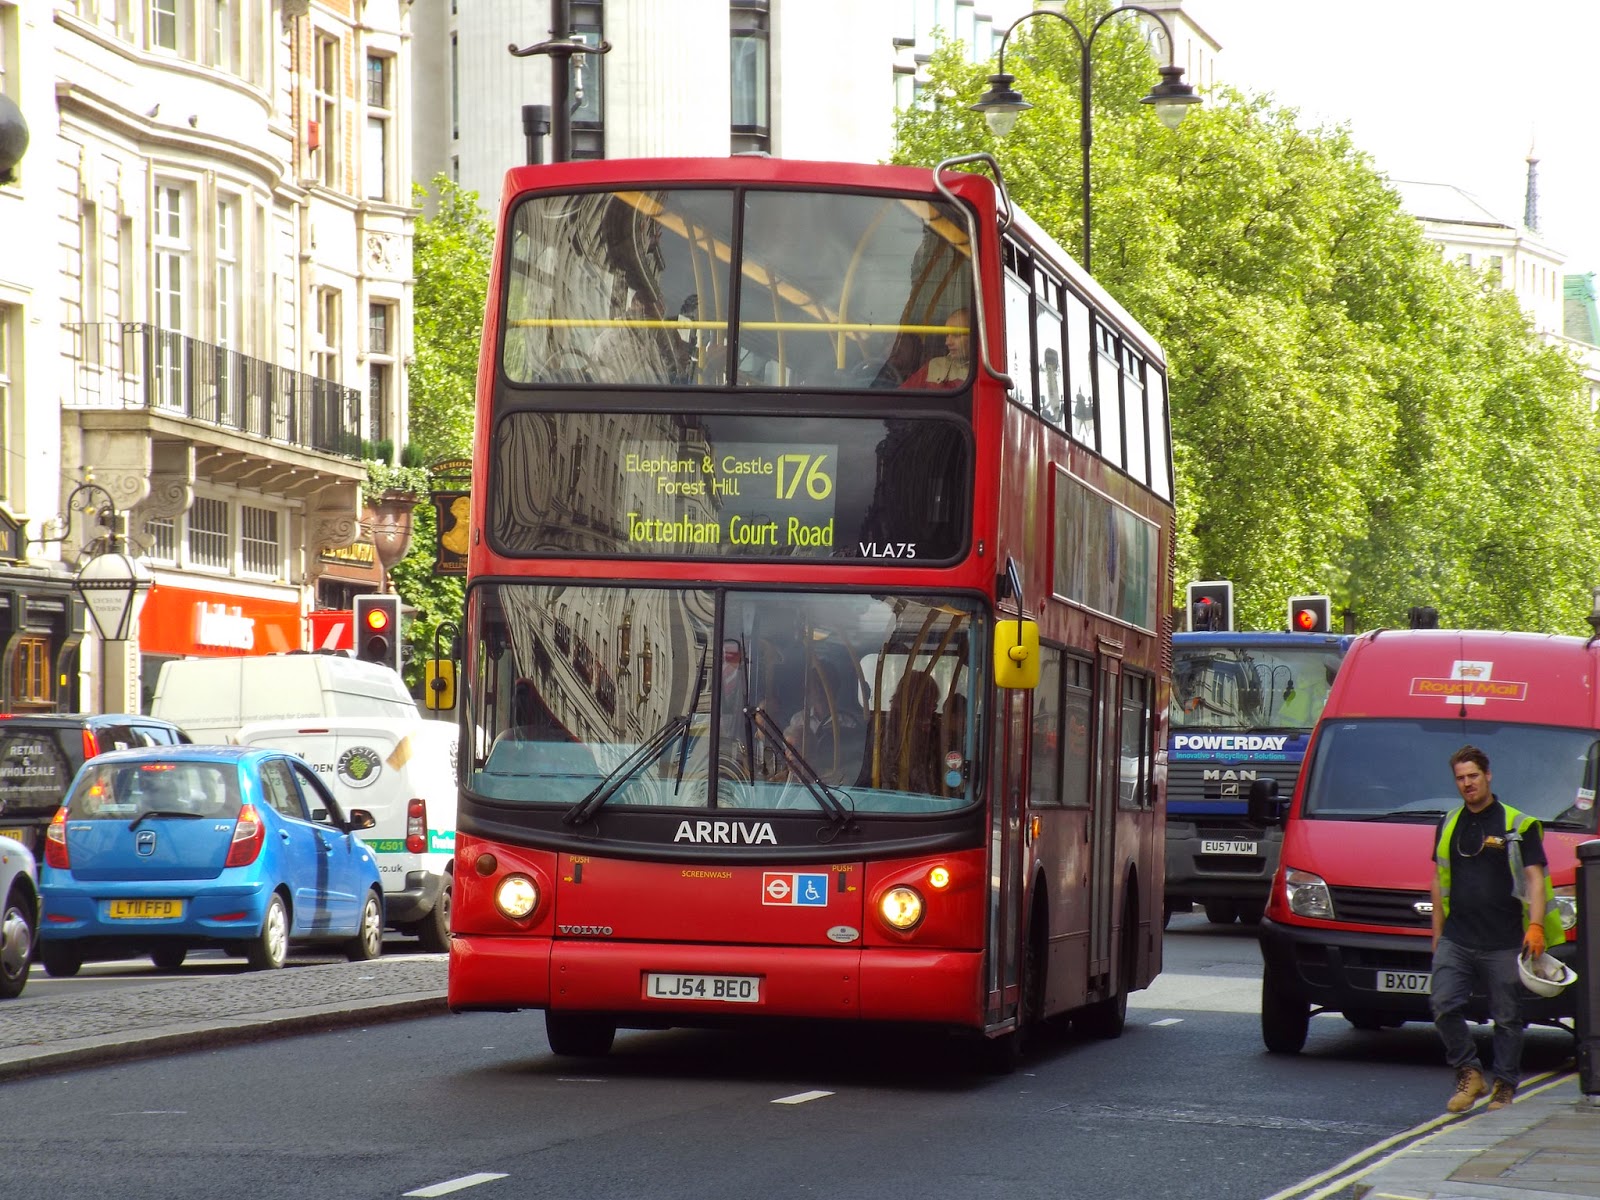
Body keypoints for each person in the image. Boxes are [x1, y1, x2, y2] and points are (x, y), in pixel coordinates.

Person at [1430, 745, 1562, 1113]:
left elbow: (1535, 880)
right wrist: (1437, 934)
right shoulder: (1449, 823)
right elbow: (1437, 879)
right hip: (1457, 936)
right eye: (1460, 778)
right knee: (1442, 1004)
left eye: (1473, 776)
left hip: (1504, 939)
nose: (1467, 784)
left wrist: (1535, 926)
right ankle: (1469, 1073)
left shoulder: (1518, 825)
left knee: (1507, 1018)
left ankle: (1504, 1085)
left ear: (1488, 776)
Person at [899, 308, 970, 389]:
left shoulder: (983, 370)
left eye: (956, 335)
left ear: (975, 336)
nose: (948, 342)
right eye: (946, 335)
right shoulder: (933, 366)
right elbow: (903, 394)